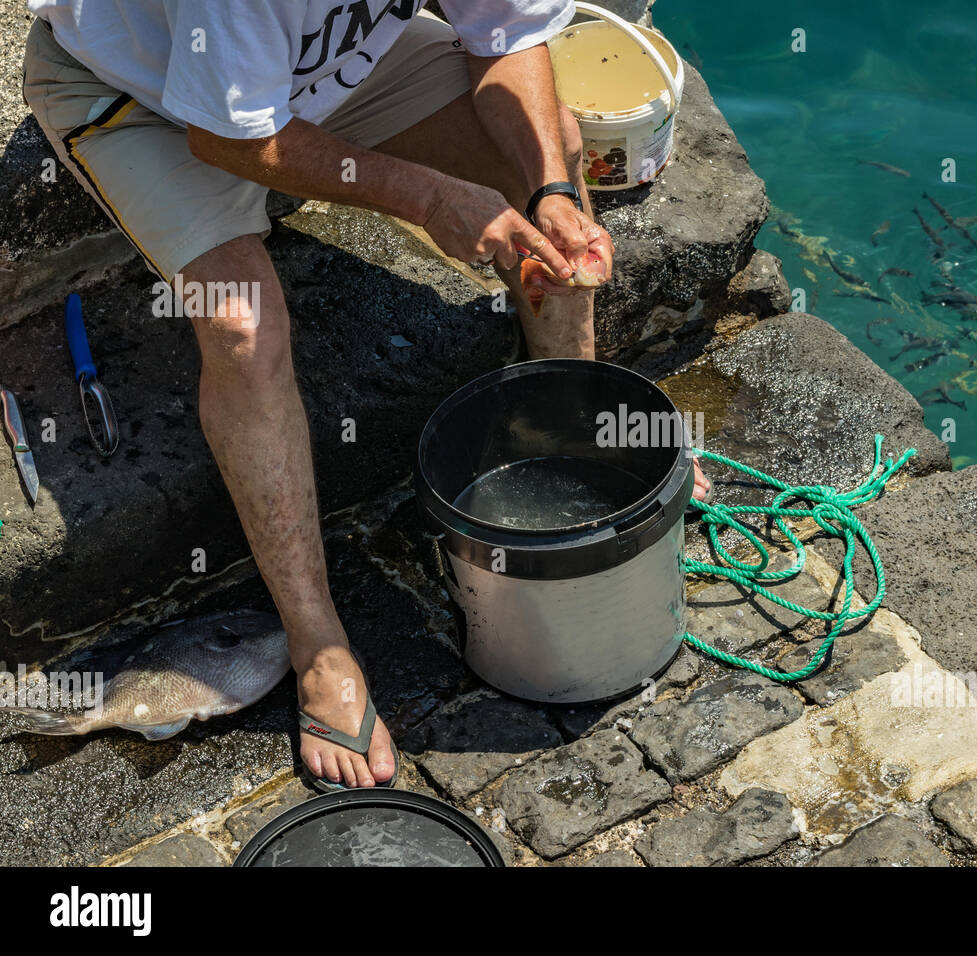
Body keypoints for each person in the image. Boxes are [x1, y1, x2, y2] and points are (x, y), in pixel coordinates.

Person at [22, 0, 710, 791]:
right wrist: (424, 197)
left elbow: (509, 38)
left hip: (320, 73)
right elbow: (230, 136)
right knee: (242, 324)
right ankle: (318, 645)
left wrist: (550, 187)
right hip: (142, 97)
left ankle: (581, 435)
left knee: (547, 150)